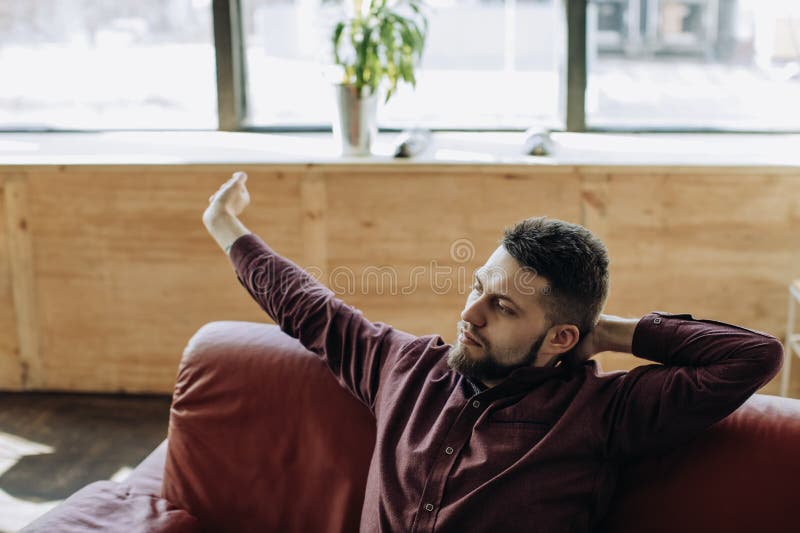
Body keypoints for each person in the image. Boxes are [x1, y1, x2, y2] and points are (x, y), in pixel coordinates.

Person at [203, 171, 783, 532]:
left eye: (502, 307)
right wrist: (225, 225)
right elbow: (308, 307)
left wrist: (607, 332)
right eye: (477, 287)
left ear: (561, 338)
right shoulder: (404, 367)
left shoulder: (601, 413)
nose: (470, 314)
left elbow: (752, 357)